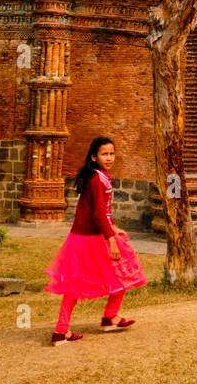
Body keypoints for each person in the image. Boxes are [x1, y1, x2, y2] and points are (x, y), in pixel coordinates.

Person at [44, 136, 147, 345]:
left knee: (79, 282)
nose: (109, 158)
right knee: (123, 270)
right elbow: (99, 214)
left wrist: (114, 229)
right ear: (94, 157)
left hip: (84, 237)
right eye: (104, 154)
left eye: (112, 153)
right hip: (89, 239)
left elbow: (99, 212)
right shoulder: (98, 179)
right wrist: (111, 239)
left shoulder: (97, 176)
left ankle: (70, 328)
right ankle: (105, 317)